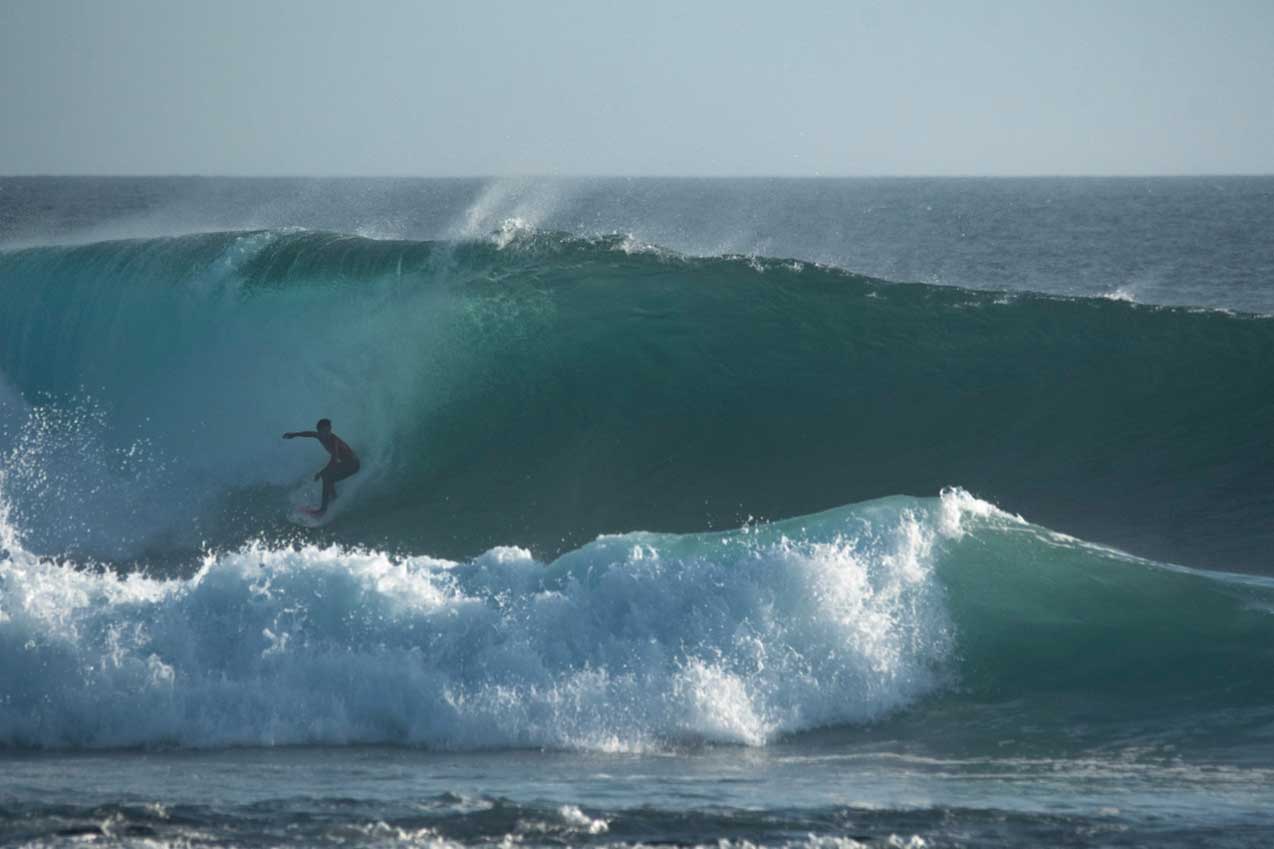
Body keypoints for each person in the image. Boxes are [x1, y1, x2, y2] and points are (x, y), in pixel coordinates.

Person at [283, 419, 359, 514]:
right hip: (346, 463)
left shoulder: (333, 440)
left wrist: (322, 472)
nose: (327, 433)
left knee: (326, 476)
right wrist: (294, 435)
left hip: (353, 464)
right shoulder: (319, 436)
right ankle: (334, 499)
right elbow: (309, 434)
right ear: (319, 431)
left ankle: (323, 509)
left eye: (329, 430)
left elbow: (334, 459)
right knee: (328, 478)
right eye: (325, 431)